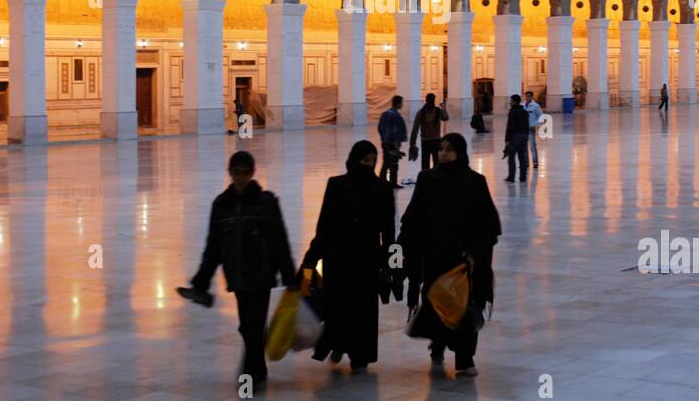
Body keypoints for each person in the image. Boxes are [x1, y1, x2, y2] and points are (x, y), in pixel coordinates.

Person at [179, 151, 295, 387]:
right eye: (236, 173)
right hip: (238, 275)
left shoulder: (267, 202)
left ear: (252, 174)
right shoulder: (221, 205)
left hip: (261, 274)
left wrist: (289, 274)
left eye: (245, 173)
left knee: (252, 324)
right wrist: (202, 281)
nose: (240, 178)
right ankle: (258, 367)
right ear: (230, 174)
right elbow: (213, 246)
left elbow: (279, 239)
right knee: (247, 324)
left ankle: (249, 374)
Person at [397, 133, 503, 377]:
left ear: (460, 152)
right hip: (434, 255)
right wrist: (402, 252)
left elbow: (488, 224)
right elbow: (413, 218)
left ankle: (465, 359)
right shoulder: (428, 179)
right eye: (441, 148)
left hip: (463, 260)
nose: (443, 153)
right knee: (437, 302)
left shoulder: (475, 181)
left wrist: (475, 252)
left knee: (464, 305)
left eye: (449, 149)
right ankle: (438, 345)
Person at [299, 140, 396, 372]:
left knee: (363, 310)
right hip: (338, 260)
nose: (369, 165)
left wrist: (393, 266)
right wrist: (310, 260)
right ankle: (338, 345)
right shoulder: (336, 185)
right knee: (338, 306)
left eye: (373, 161)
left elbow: (389, 233)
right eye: (365, 160)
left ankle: (360, 356)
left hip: (367, 261)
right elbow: (324, 227)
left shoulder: (382, 189)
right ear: (354, 160)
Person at [410, 93, 449, 171]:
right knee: (436, 162)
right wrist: (443, 108)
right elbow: (446, 118)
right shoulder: (438, 111)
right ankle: (436, 180)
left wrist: (412, 143)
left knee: (425, 163)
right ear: (434, 100)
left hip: (425, 141)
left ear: (426, 100)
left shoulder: (421, 112)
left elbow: (415, 129)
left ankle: (426, 180)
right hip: (436, 140)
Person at [378, 95, 407, 189]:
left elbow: (380, 128)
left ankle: (381, 181)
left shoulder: (385, 114)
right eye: (402, 103)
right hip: (392, 143)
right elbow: (396, 131)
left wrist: (383, 139)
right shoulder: (395, 116)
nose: (402, 104)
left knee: (386, 162)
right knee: (394, 163)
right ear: (398, 103)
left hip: (385, 142)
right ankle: (393, 183)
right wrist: (396, 144)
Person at [504, 94, 530, 182]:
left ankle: (511, 177)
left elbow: (509, 126)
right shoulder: (525, 112)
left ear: (515, 102)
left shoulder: (512, 112)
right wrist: (526, 136)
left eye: (511, 101)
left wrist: (507, 140)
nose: (509, 102)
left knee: (511, 158)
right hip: (523, 137)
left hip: (514, 137)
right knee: (522, 158)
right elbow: (527, 126)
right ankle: (523, 177)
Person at [523, 90, 543, 168]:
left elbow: (541, 117)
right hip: (524, 129)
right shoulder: (523, 105)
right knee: (524, 147)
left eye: (528, 96)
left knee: (532, 147)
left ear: (532, 97)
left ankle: (535, 162)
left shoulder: (535, 106)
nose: (527, 98)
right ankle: (526, 163)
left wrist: (535, 125)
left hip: (531, 129)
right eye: (526, 96)